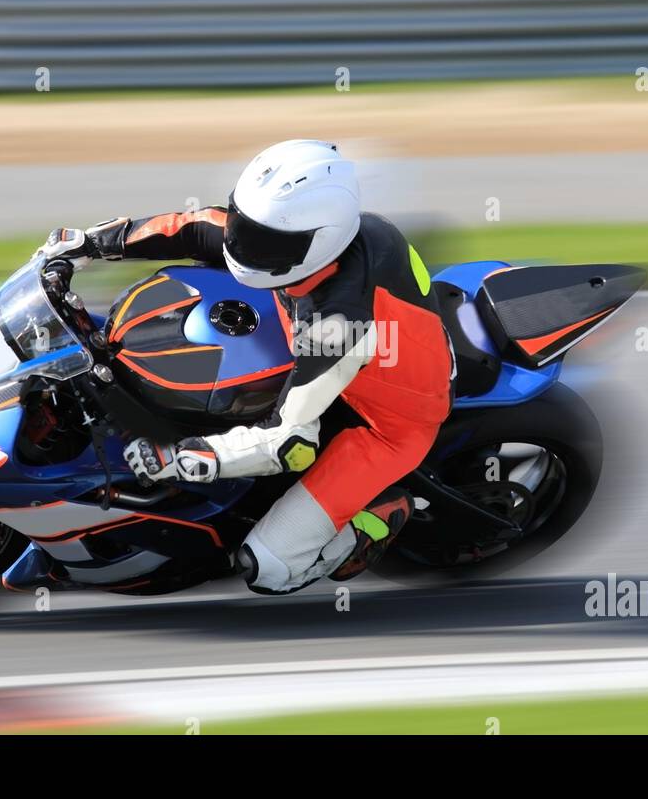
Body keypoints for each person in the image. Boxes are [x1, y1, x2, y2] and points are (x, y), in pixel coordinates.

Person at [38, 140, 452, 594]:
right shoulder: (289, 239)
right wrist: (92, 243)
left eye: (263, 241)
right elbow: (198, 228)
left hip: (385, 422)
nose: (240, 246)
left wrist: (180, 459)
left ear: (321, 239)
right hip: (313, 335)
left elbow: (289, 442)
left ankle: (376, 517)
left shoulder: (338, 324)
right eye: (244, 225)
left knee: (268, 569)